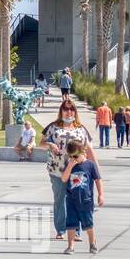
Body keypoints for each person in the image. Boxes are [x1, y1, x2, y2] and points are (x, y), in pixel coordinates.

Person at [41, 100, 96, 240]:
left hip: (77, 171)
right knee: (59, 199)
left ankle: (75, 231)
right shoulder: (53, 127)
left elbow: (89, 150)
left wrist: (95, 169)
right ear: (61, 111)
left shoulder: (81, 129)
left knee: (76, 199)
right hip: (57, 170)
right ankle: (60, 229)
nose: (69, 112)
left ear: (75, 112)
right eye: (66, 109)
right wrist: (49, 144)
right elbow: (41, 143)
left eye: (71, 109)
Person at [60, 139, 104, 255]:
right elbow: (64, 179)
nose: (74, 158)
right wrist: (69, 166)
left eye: (76, 156)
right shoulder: (70, 164)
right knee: (71, 224)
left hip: (86, 200)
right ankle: (70, 246)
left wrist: (101, 195)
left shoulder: (90, 165)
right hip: (71, 200)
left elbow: (98, 180)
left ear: (83, 151)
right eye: (71, 156)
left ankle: (92, 243)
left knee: (88, 224)